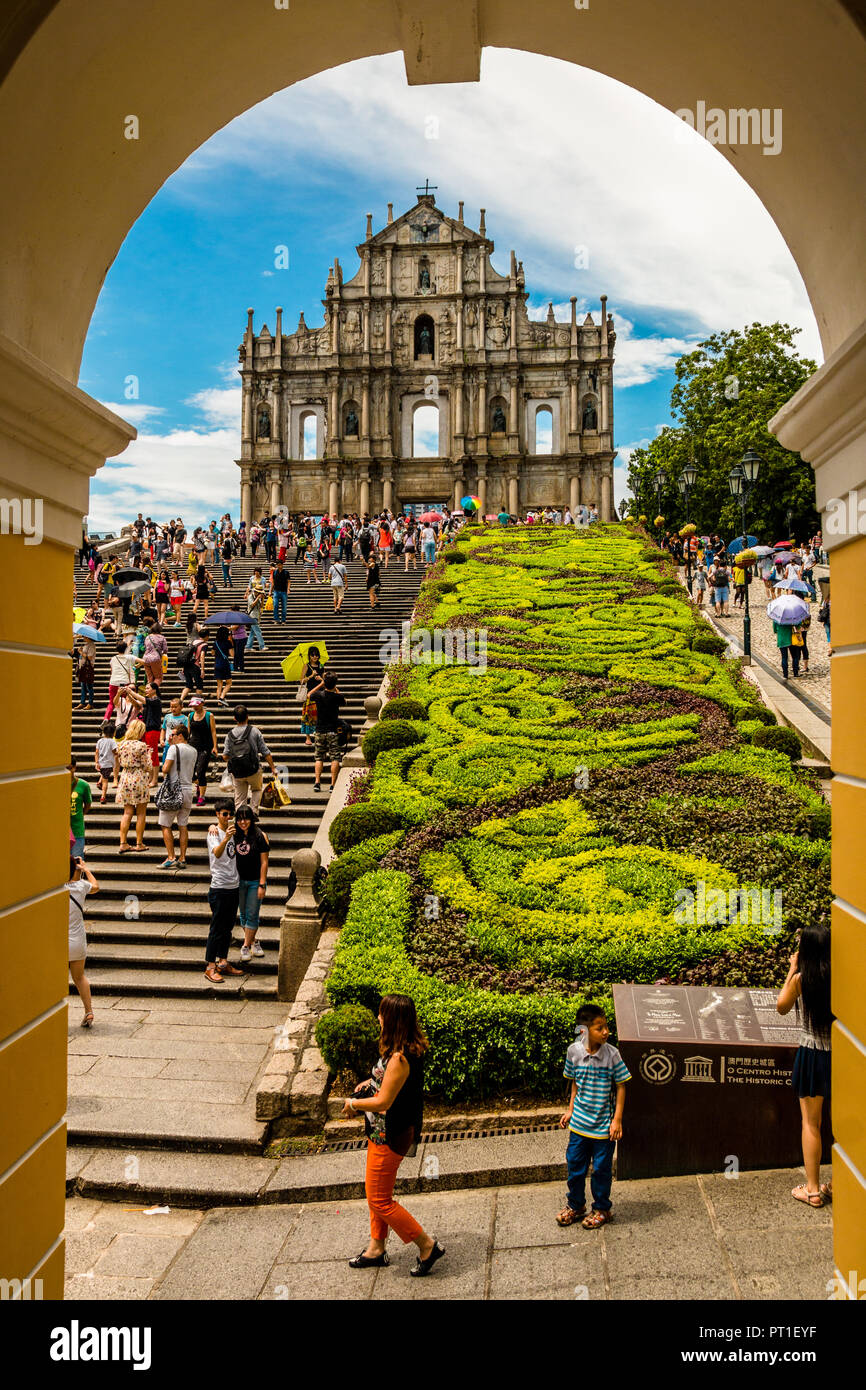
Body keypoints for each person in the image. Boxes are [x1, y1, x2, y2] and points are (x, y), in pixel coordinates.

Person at [342, 994, 445, 1276]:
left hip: (389, 1135)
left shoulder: (400, 1058)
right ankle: (376, 1248)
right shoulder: (400, 1048)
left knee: (379, 1200)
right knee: (377, 1193)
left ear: (392, 1020)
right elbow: (388, 1085)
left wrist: (354, 1104)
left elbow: (384, 1102)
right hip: (382, 1132)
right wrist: (371, 1082)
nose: (378, 1018)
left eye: (381, 1014)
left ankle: (427, 1245)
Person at [556, 1004, 630, 1229]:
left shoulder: (612, 1054)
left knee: (601, 1170)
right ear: (584, 1031)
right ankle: (576, 1205)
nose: (606, 1032)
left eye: (606, 1026)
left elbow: (621, 1086)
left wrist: (616, 1120)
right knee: (575, 1166)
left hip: (602, 1128)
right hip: (579, 1124)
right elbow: (575, 1083)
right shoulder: (574, 1052)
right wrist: (570, 1110)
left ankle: (602, 1208)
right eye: (600, 1028)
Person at [777, 925, 832, 1208]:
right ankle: (841, 1182)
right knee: (849, 1124)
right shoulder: (841, 977)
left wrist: (792, 969)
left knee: (812, 1123)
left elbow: (781, 1006)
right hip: (842, 1055)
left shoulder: (802, 979)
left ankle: (812, 1190)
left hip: (812, 1055)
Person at [204, 801, 243, 984]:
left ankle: (223, 961)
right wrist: (225, 837)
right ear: (218, 814)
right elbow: (217, 853)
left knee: (227, 928)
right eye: (225, 814)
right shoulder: (213, 833)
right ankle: (210, 966)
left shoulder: (234, 831)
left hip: (233, 886)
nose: (228, 818)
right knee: (217, 928)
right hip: (219, 887)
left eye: (230, 814)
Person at [223, 704, 276, 813]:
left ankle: (240, 817)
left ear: (234, 718)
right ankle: (253, 812)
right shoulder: (255, 731)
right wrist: (273, 768)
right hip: (254, 769)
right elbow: (265, 752)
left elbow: (225, 756)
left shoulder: (230, 735)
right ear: (247, 716)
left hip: (237, 772)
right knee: (256, 790)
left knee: (239, 797)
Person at [234, 806, 270, 961]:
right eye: (240, 819)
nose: (243, 822)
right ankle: (254, 941)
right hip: (239, 881)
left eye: (246, 818)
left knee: (252, 914)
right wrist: (212, 826)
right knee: (243, 916)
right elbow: (220, 827)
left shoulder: (260, 836)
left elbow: (264, 862)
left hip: (255, 881)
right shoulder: (234, 834)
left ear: (251, 819)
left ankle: (245, 946)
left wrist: (262, 884)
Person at [158, 724, 197, 868]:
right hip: (187, 790)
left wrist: (169, 747)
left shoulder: (173, 749)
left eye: (173, 734)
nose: (170, 737)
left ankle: (171, 856)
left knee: (165, 824)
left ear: (180, 736)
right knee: (183, 825)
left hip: (174, 790)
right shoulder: (193, 750)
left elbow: (165, 769)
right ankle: (182, 857)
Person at [67, 854, 98, 1028]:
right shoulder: (81, 887)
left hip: (56, 941)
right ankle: (89, 1011)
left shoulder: (54, 888)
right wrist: (85, 870)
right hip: (77, 940)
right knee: (79, 977)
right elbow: (96, 887)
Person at [115, 719, 152, 853]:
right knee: (141, 813)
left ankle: (123, 842)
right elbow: (147, 766)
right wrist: (150, 755)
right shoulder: (141, 746)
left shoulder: (121, 744)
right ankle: (139, 843)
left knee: (127, 812)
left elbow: (119, 761)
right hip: (139, 777)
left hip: (125, 777)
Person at [308, 670, 345, 793]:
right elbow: (344, 700)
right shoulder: (337, 697)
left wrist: (321, 684)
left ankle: (317, 782)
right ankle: (332, 785)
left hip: (319, 731)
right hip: (333, 731)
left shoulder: (318, 695)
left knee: (319, 757)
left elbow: (309, 695)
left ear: (325, 683)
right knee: (335, 758)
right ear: (335, 683)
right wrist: (334, 687)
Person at [187, 695, 218, 806]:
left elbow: (213, 731)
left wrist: (215, 746)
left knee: (200, 771)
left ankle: (202, 796)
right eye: (193, 706)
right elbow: (188, 732)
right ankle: (199, 784)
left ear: (202, 703)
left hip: (205, 747)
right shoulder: (190, 715)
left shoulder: (209, 715)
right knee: (190, 772)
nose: (194, 708)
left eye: (196, 705)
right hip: (192, 746)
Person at [300, 646, 322, 747]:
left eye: (316, 654)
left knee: (319, 715)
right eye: (312, 655)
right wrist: (311, 676)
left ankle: (318, 735)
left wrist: (320, 678)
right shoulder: (306, 666)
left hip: (320, 694)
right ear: (309, 655)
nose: (315, 657)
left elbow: (325, 680)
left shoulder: (321, 666)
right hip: (309, 694)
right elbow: (301, 681)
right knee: (308, 716)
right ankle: (308, 737)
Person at [69, 759, 92, 859]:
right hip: (59, 829)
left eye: (69, 768)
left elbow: (87, 804)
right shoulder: (56, 785)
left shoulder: (83, 785)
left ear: (74, 767)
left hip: (76, 829)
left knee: (77, 862)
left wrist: (80, 814)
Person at [94, 720, 118, 803]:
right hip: (108, 764)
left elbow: (96, 752)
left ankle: (99, 782)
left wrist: (96, 762)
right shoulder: (112, 741)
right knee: (106, 781)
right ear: (113, 733)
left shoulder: (100, 741)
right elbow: (115, 752)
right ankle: (103, 796)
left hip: (101, 763)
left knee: (103, 774)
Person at [772, 613, 801, 680]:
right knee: (795, 656)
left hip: (782, 639)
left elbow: (775, 629)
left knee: (784, 657)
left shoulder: (777, 616)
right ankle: (795, 672)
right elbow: (798, 624)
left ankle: (785, 674)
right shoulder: (792, 614)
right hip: (791, 638)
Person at [245, 568, 268, 651]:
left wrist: (262, 599)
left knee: (252, 632)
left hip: (257, 615)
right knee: (258, 631)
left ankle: (248, 646)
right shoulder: (251, 596)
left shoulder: (258, 596)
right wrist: (257, 598)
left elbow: (261, 606)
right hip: (252, 616)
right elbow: (251, 605)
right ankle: (262, 646)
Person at [213, 623, 234, 706]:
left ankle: (219, 702)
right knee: (229, 683)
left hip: (217, 664)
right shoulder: (228, 643)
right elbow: (232, 654)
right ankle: (221, 698)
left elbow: (212, 653)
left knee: (219, 685)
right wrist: (231, 643)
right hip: (225, 664)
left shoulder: (216, 643)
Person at [74, 644, 95, 710]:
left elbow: (89, 657)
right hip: (82, 668)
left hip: (87, 669)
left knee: (89, 686)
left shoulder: (91, 646)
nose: (83, 637)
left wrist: (81, 652)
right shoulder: (85, 645)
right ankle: (82, 702)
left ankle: (90, 703)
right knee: (83, 686)